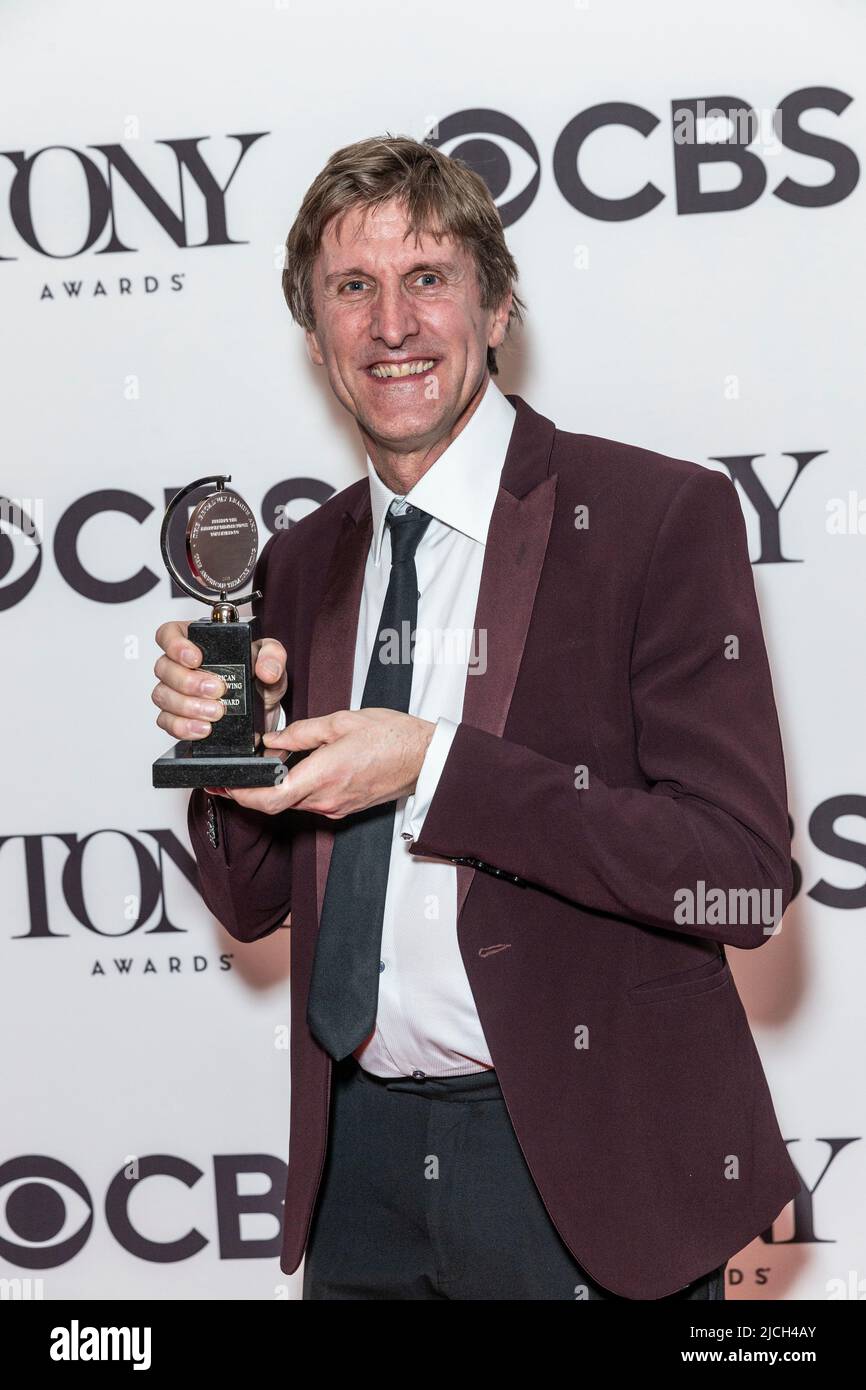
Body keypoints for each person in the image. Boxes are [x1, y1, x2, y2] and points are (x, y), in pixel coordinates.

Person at [152, 135, 801, 1300]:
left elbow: (744, 878)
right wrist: (225, 761)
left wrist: (437, 768)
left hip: (581, 1173)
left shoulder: (655, 517)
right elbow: (254, 901)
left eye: (428, 279)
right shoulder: (300, 562)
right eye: (353, 288)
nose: (391, 324)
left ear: (496, 306)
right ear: (315, 338)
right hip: (357, 1177)